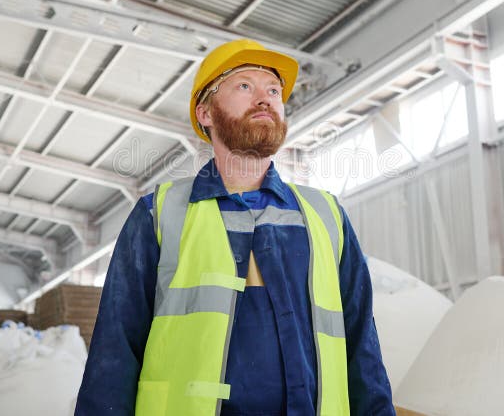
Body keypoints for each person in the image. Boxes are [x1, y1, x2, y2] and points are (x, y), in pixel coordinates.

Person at [75, 39, 394, 415]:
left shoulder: (326, 215)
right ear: (206, 112)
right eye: (245, 86)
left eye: (274, 90)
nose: (265, 99)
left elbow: (363, 348)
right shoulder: (160, 215)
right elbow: (115, 350)